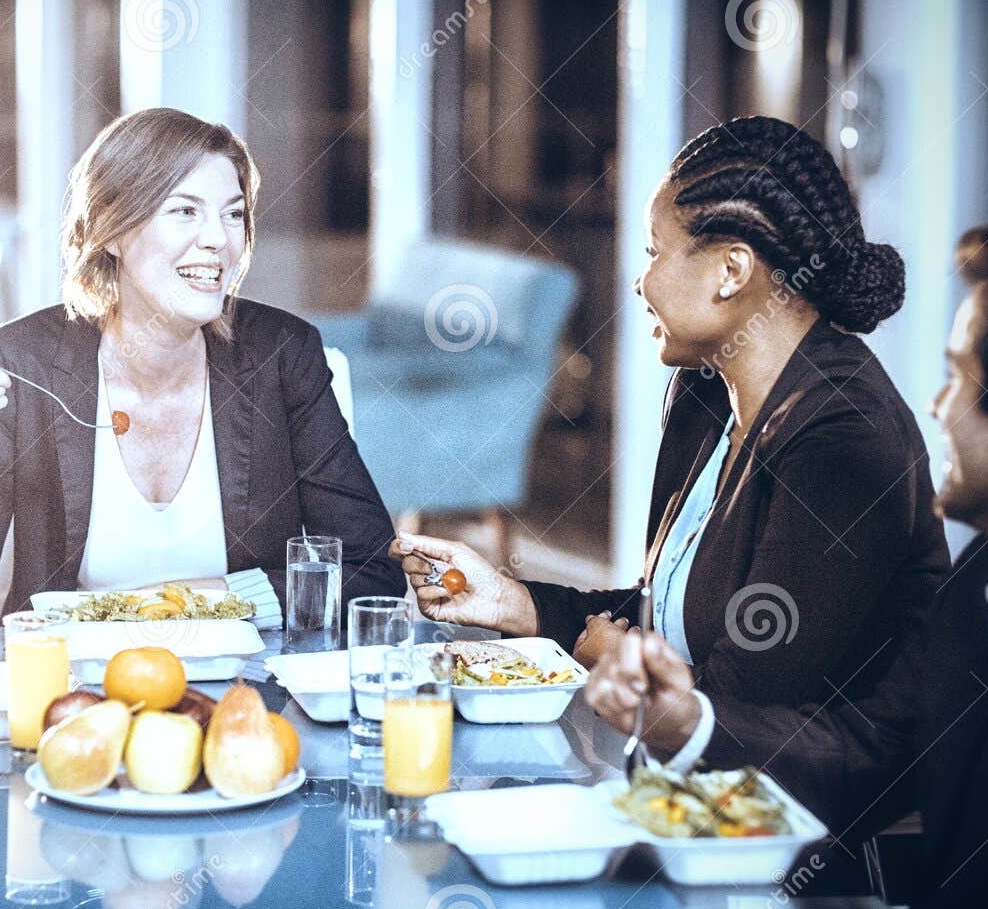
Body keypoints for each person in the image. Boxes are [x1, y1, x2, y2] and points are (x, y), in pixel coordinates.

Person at [585, 215, 988, 909]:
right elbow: (867, 752)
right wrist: (689, 720)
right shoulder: (978, 592)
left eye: (959, 378)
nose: (935, 406)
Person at [393, 116, 948, 707]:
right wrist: (513, 602)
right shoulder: (706, 394)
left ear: (732, 271)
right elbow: (672, 620)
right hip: (688, 771)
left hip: (804, 793)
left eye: (655, 252)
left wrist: (614, 657)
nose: (640, 282)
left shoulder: (843, 439)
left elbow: (747, 701)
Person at [0, 108, 403, 633]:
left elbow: (371, 574)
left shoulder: (282, 354)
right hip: (70, 696)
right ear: (111, 230)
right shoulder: (27, 360)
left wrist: (179, 601)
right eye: (185, 211)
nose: (219, 240)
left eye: (233, 215)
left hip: (249, 693)